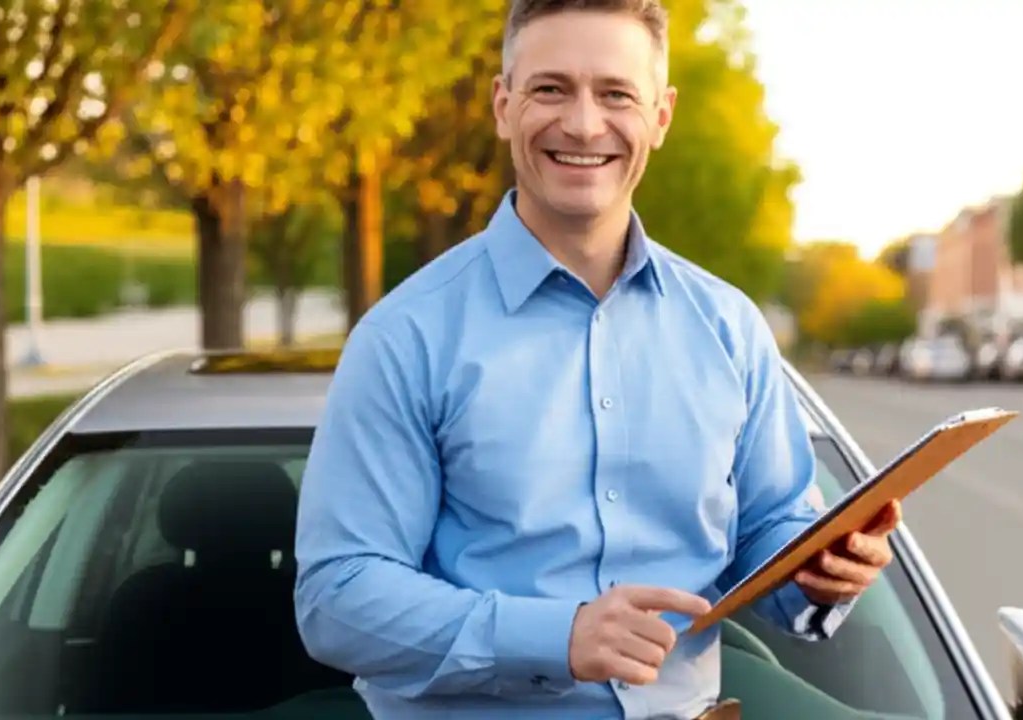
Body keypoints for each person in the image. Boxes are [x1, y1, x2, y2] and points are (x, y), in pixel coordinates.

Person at [293, 1, 901, 717]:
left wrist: (820, 566)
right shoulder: (406, 336)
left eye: (616, 94)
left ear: (662, 116)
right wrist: (557, 635)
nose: (583, 125)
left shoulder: (731, 328)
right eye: (551, 89)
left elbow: (769, 525)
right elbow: (338, 598)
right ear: (503, 104)